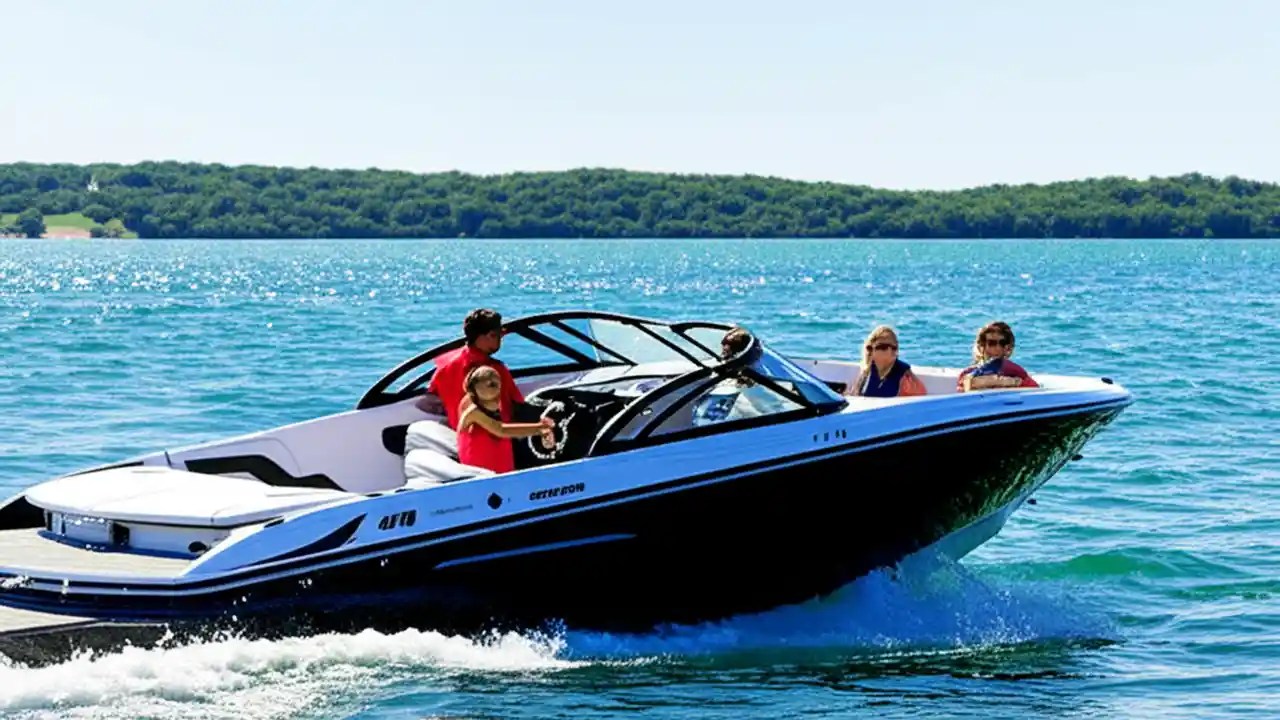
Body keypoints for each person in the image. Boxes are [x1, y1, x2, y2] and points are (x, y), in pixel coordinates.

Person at [416, 308, 524, 429]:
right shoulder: (495, 370)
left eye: (501, 335)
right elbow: (518, 405)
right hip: (496, 439)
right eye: (495, 335)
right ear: (478, 337)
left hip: (461, 436)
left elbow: (432, 395)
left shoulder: (445, 365)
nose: (500, 340)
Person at [457, 366, 554, 474]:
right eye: (490, 383)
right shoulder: (472, 410)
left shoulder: (496, 406)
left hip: (503, 471)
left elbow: (509, 429)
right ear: (474, 387)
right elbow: (501, 430)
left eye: (497, 382)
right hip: (479, 476)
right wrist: (539, 428)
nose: (495, 385)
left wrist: (544, 431)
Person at [957, 321, 1040, 391]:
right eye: (992, 343)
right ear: (981, 346)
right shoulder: (968, 373)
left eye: (1002, 343)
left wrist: (1011, 382)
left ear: (1007, 347)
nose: (998, 348)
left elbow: (1034, 390)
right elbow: (964, 391)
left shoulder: (1013, 370)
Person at [847, 325, 927, 398]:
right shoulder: (866, 372)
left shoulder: (905, 377)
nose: (890, 350)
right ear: (870, 350)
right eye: (883, 347)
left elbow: (920, 402)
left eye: (894, 347)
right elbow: (854, 396)